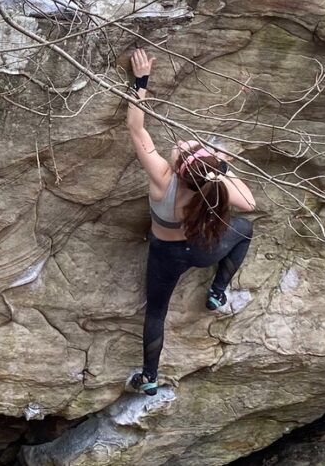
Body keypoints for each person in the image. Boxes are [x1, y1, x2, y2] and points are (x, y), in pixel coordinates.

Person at [123, 48, 256, 395]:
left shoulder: (162, 180)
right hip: (200, 250)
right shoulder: (212, 190)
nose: (180, 141)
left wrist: (141, 82)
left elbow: (136, 128)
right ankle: (217, 292)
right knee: (244, 230)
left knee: (156, 312)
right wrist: (222, 169)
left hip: (165, 255)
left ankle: (149, 377)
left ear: (178, 167)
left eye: (182, 147)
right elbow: (250, 204)